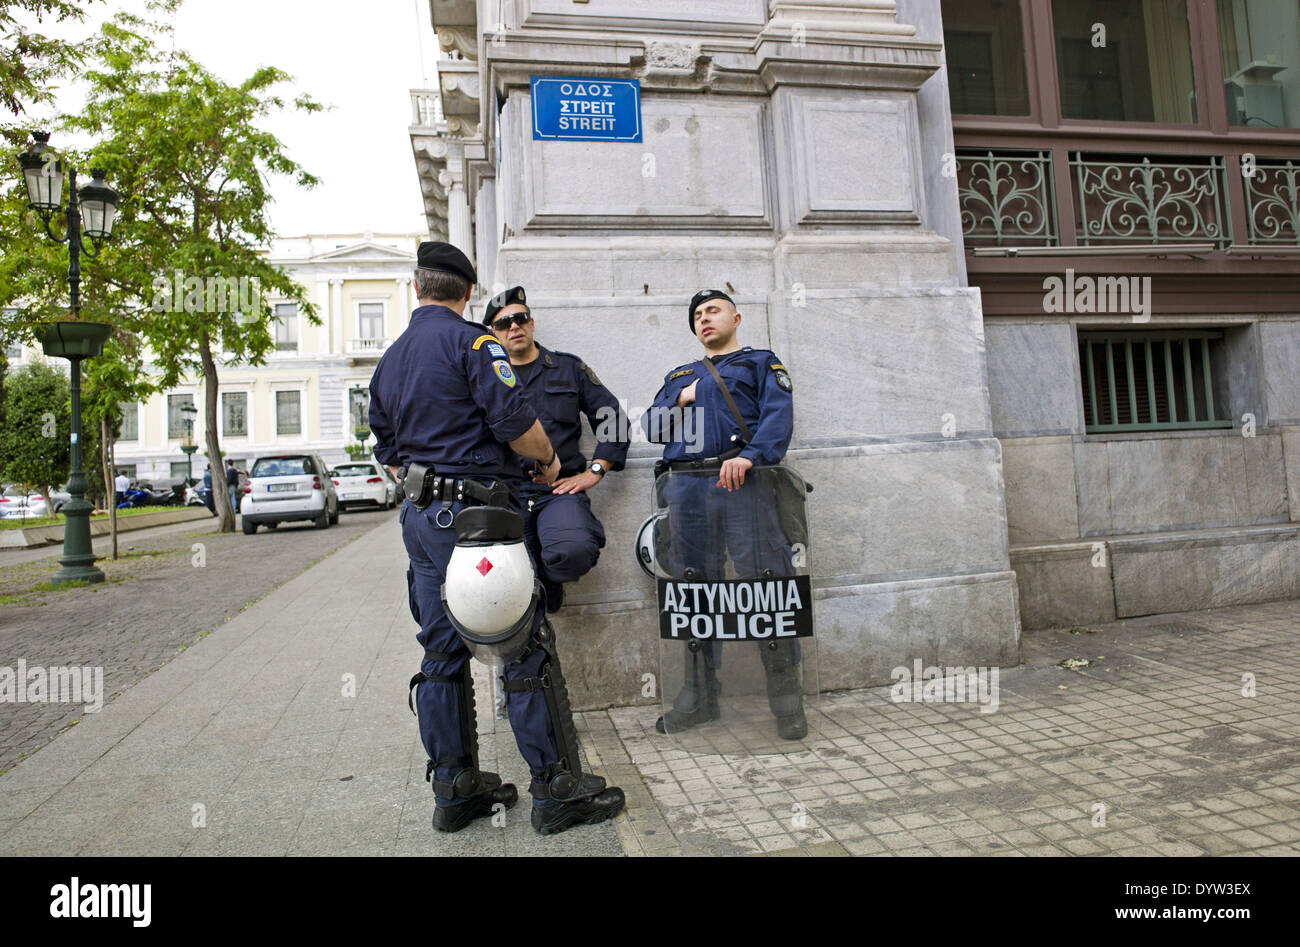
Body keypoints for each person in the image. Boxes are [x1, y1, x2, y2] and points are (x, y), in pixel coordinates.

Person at [369, 242, 625, 835]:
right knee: (520, 642)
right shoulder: (474, 344)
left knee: (441, 649)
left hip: (421, 520)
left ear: (416, 288)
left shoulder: (392, 358)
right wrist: (549, 465)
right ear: (467, 293)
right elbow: (518, 424)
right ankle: (558, 789)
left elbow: (384, 448)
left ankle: (454, 786)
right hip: (480, 521)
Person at [645, 288, 806, 740]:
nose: (704, 319)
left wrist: (752, 456)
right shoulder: (680, 375)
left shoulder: (759, 363)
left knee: (765, 583)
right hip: (687, 490)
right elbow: (653, 428)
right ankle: (700, 697)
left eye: (712, 310)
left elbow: (778, 416)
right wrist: (681, 398)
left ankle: (785, 698)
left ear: (736, 318)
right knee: (695, 589)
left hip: (744, 485)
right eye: (697, 315)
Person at [483, 285, 630, 612]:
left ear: (532, 323)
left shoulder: (567, 368)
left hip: (559, 490)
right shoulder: (485, 378)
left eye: (520, 319)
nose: (514, 328)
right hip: (505, 493)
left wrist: (595, 470)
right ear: (493, 334)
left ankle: (549, 580)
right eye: (503, 324)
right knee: (501, 575)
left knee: (573, 551)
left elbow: (613, 419)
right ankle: (533, 602)